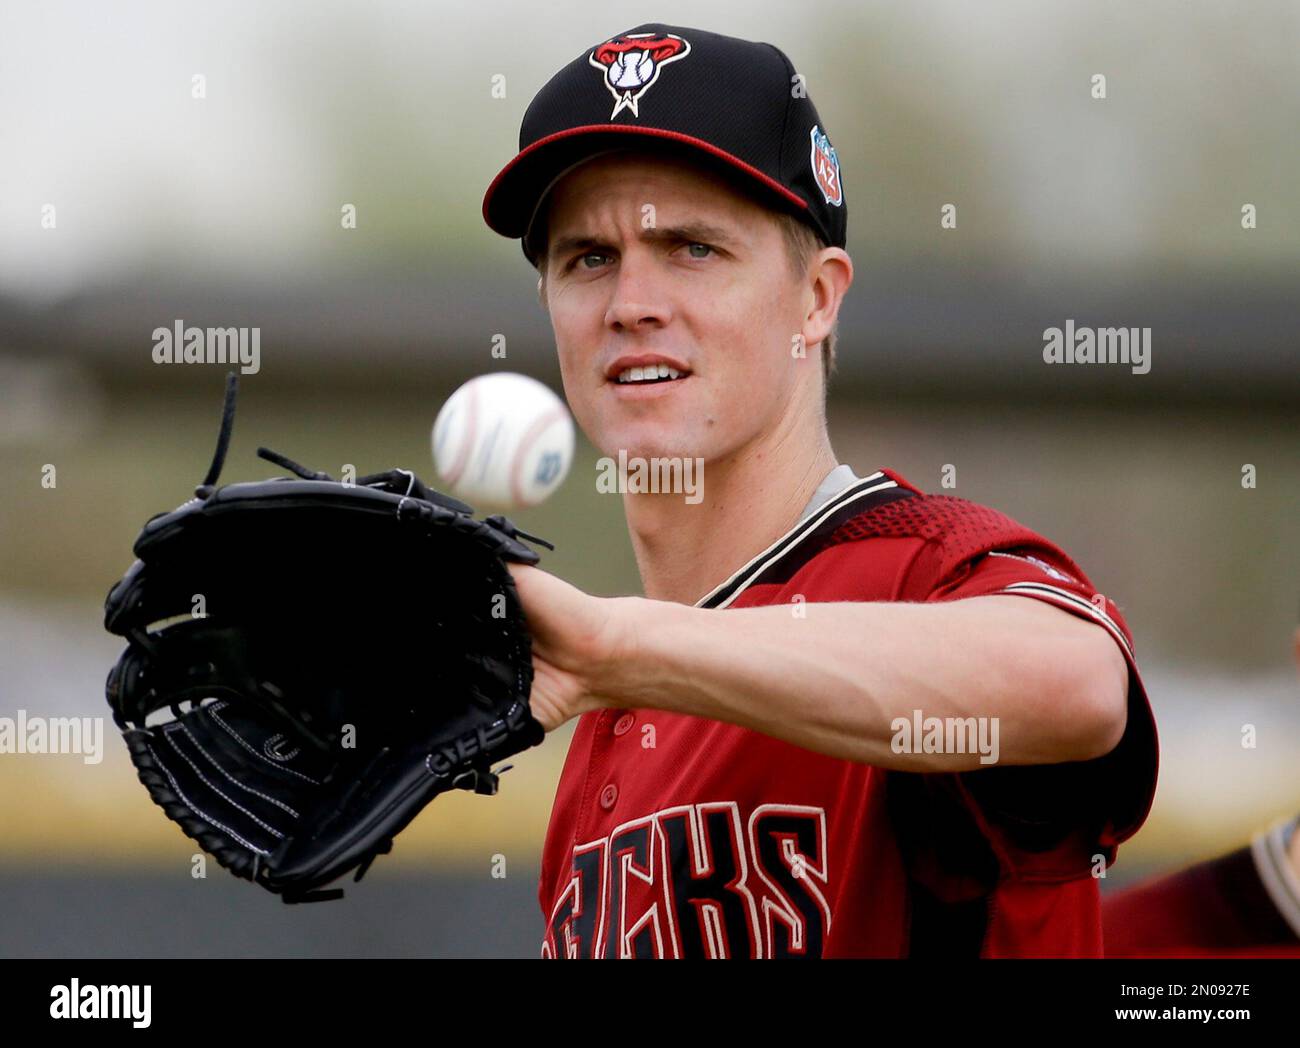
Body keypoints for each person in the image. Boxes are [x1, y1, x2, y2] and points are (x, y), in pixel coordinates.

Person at [481, 23, 1156, 958]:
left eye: (691, 248)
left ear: (817, 298)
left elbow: (1080, 687)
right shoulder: (606, 714)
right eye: (588, 257)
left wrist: (617, 648)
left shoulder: (921, 566)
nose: (630, 301)